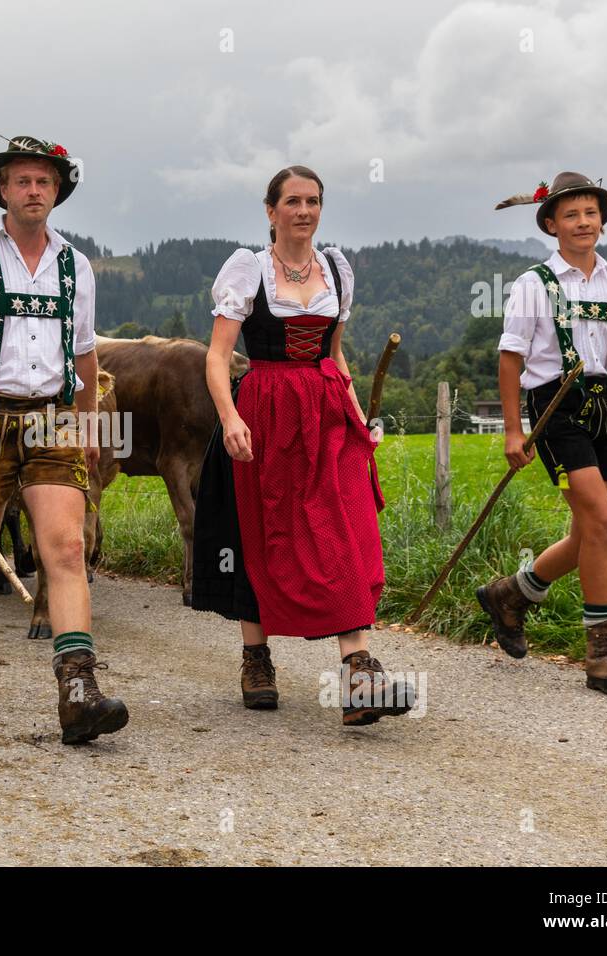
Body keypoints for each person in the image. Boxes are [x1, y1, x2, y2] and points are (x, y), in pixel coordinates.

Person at [0, 135, 129, 745]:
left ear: (57, 191)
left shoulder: (77, 266)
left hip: (54, 418)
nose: (34, 191)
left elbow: (86, 353)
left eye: (44, 181)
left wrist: (90, 423)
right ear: (4, 191)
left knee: (64, 548)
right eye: (22, 181)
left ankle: (77, 690)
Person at [192, 165, 411, 726]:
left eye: (313, 201)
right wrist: (231, 416)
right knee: (265, 531)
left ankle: (358, 671)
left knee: (343, 527)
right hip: (265, 409)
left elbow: (334, 356)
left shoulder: (336, 267)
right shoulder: (247, 270)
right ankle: (256, 658)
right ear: (271, 211)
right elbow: (217, 357)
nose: (304, 211)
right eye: (292, 201)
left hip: (326, 407)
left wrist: (359, 416)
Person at [479, 172, 607, 696]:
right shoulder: (536, 283)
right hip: (555, 407)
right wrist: (514, 430)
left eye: (591, 213)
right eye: (572, 214)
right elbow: (510, 358)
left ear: (602, 220)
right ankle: (603, 654)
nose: (584, 222)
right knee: (602, 521)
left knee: (588, 533)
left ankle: (511, 593)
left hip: (603, 406)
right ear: (551, 224)